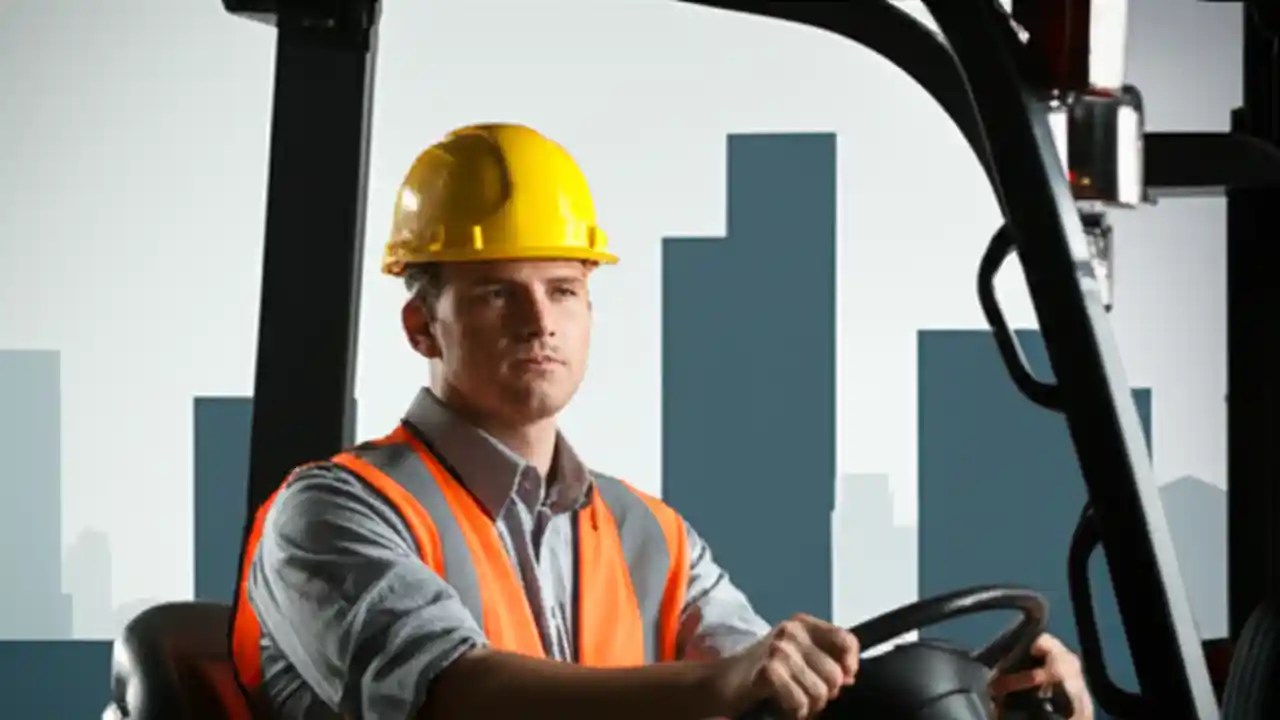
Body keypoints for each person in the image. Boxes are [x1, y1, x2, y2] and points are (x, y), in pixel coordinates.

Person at [230, 122, 1094, 720]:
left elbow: (773, 688)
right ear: (423, 325)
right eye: (499, 292)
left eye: (564, 290)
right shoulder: (336, 514)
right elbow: (452, 696)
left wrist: (983, 694)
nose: (542, 322)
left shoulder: (652, 536)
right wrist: (716, 689)